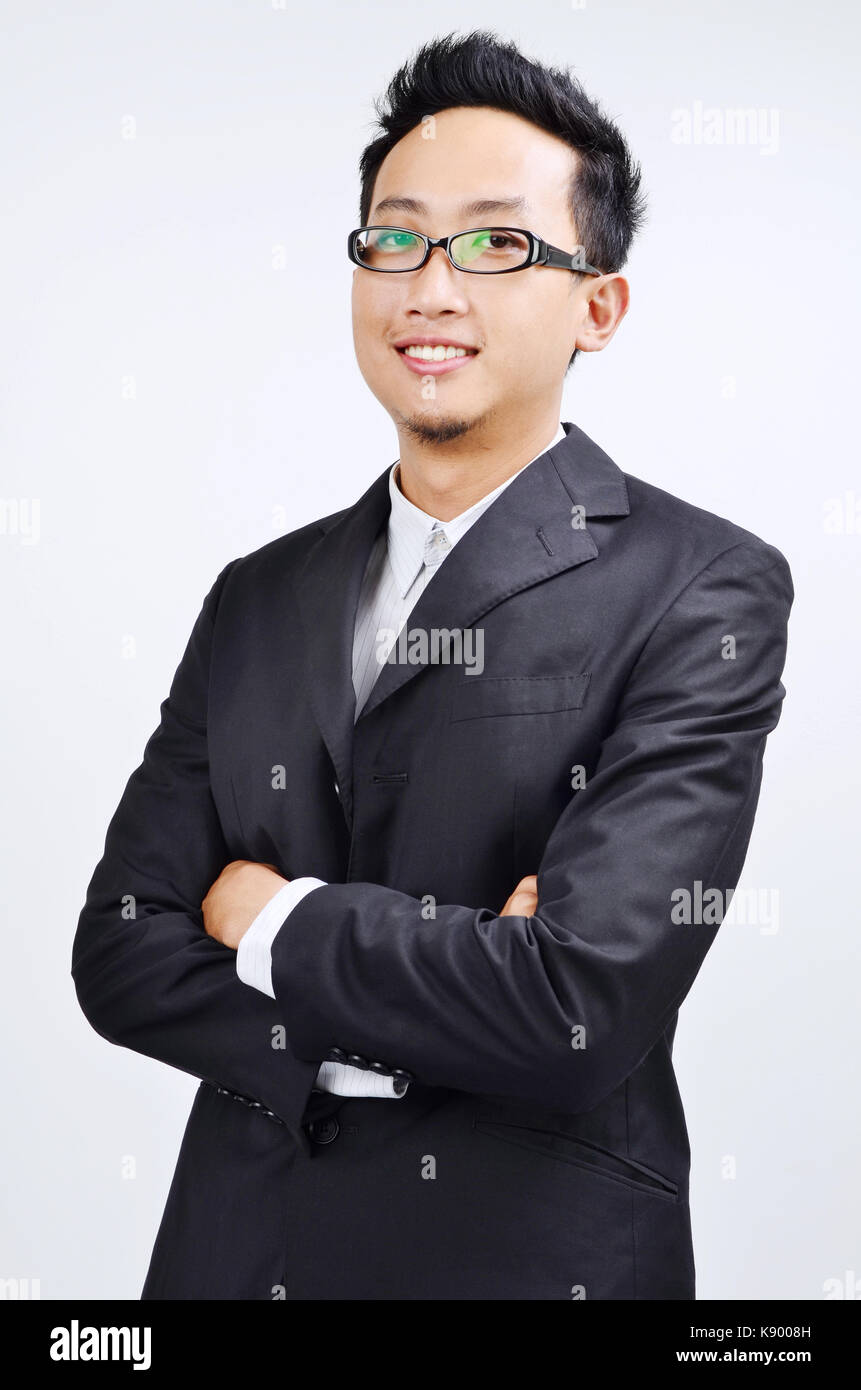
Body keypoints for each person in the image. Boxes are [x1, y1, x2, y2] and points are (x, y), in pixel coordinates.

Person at [72, 30, 793, 1300]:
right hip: (240, 1258)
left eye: (497, 243)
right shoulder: (257, 595)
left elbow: (575, 1006)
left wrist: (268, 918)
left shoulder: (701, 585)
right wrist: (443, 982)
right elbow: (122, 952)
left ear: (599, 302)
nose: (432, 287)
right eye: (397, 238)